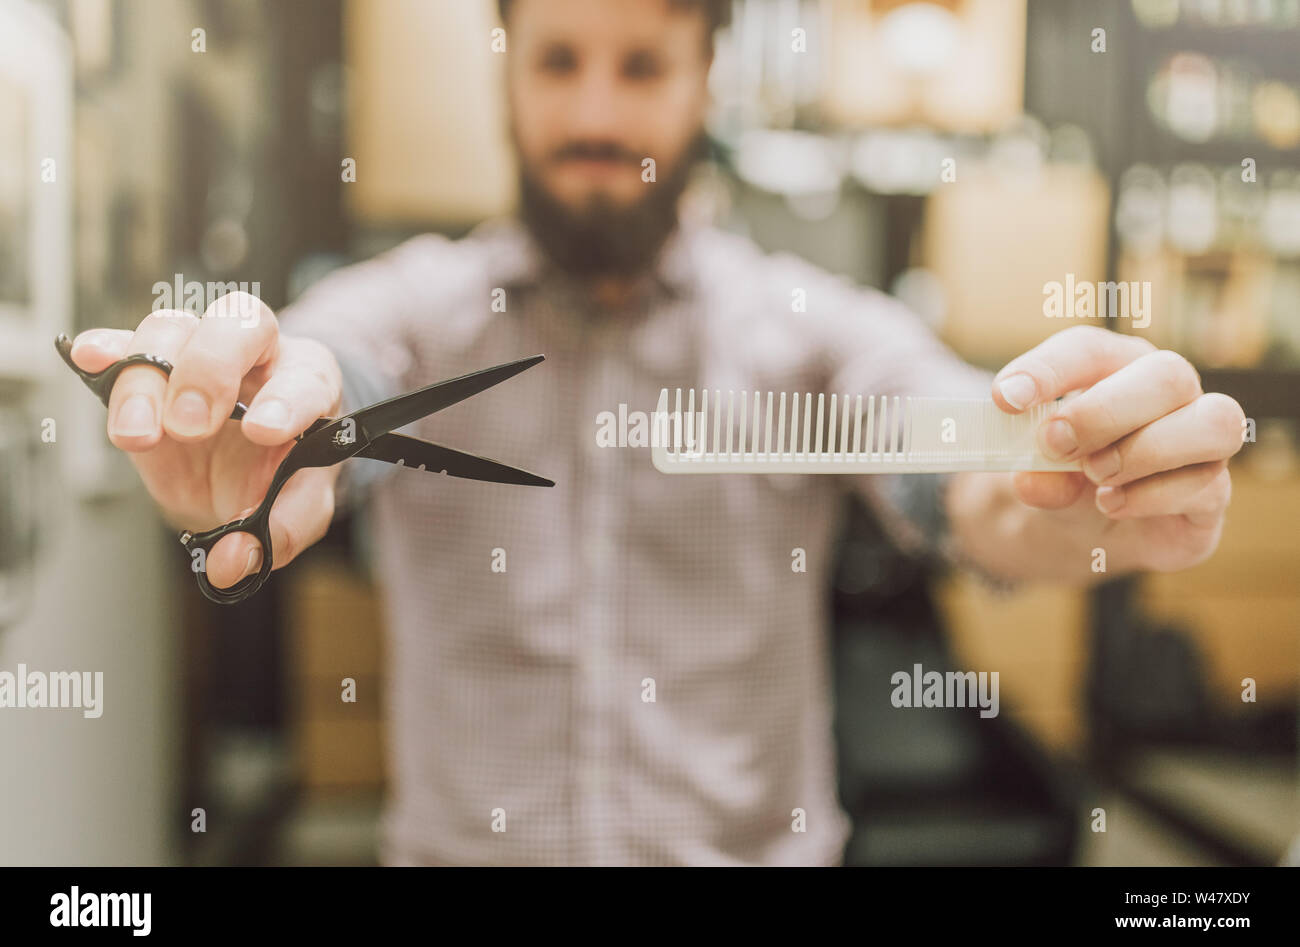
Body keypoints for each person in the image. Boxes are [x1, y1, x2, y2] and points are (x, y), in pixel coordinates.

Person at [68, 0, 1244, 865]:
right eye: (560, 62)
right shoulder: (417, 309)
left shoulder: (811, 330)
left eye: (639, 65)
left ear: (704, 80)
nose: (592, 111)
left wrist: (1087, 493)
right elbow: (336, 360)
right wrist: (263, 425)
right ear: (509, 74)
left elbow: (966, 487)